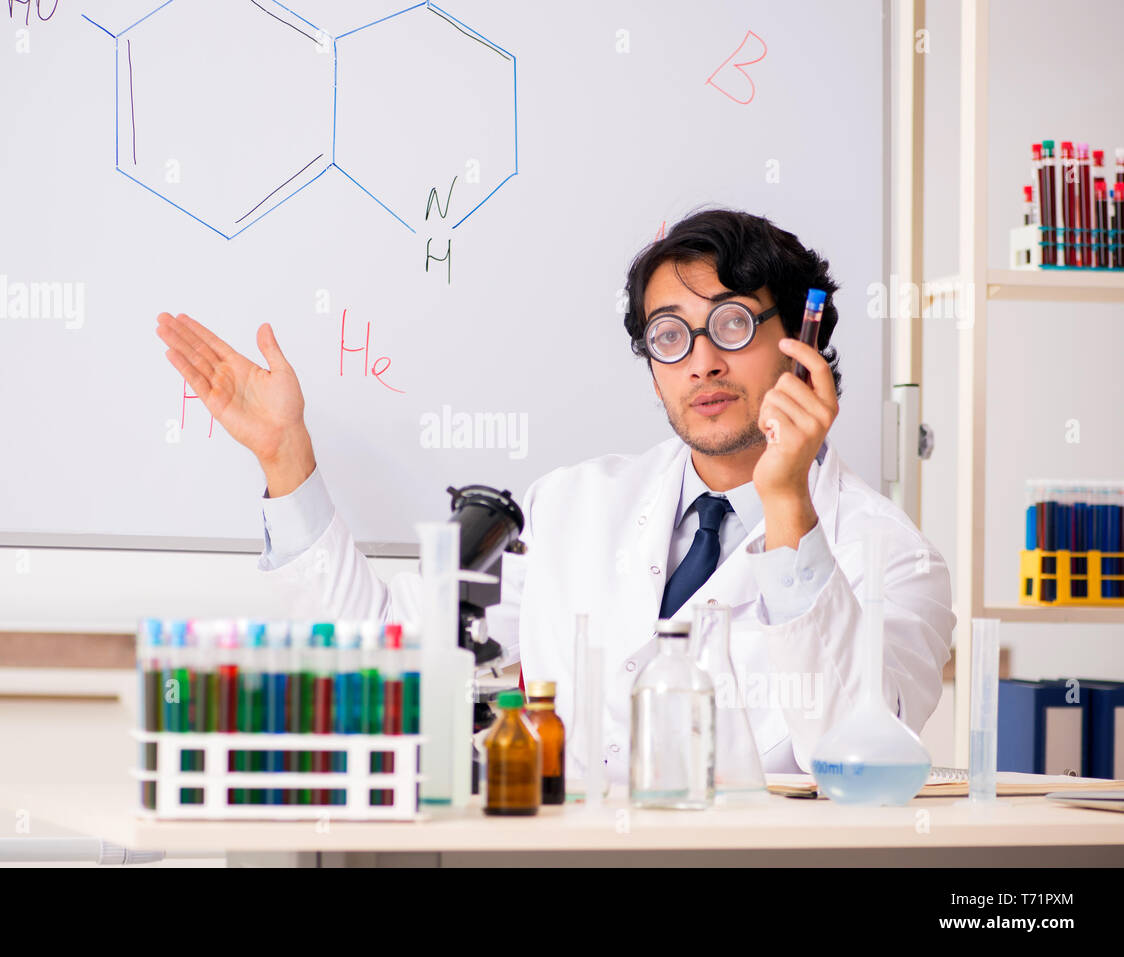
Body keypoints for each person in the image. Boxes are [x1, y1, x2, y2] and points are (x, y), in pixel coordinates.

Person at [155, 208, 955, 783]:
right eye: (670, 336)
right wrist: (285, 456)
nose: (702, 362)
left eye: (734, 325)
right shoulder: (575, 505)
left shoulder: (891, 555)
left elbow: (857, 758)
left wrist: (787, 505)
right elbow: (390, 653)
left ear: (801, 345)